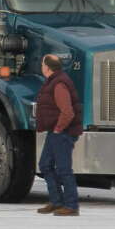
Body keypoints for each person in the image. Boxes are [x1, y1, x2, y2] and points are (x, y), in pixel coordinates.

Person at [35, 53, 82, 216]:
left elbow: (67, 112)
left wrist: (58, 129)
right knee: (45, 165)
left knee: (64, 169)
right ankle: (56, 202)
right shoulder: (54, 81)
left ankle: (71, 206)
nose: (41, 67)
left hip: (62, 132)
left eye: (42, 64)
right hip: (55, 131)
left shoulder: (59, 84)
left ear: (47, 67)